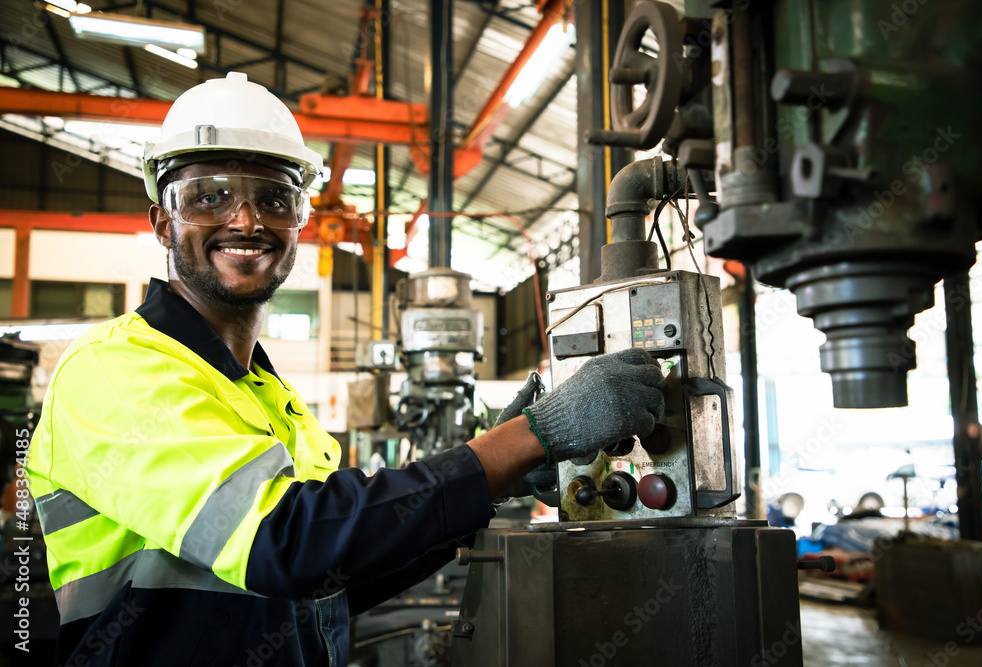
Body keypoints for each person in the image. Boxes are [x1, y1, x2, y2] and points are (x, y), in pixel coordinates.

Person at [26, 72, 666, 666]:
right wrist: (531, 436)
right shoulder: (114, 369)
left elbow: (334, 574)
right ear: (162, 220)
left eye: (275, 199)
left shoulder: (268, 397)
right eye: (209, 197)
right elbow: (288, 543)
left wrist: (498, 478)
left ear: (300, 222)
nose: (246, 220)